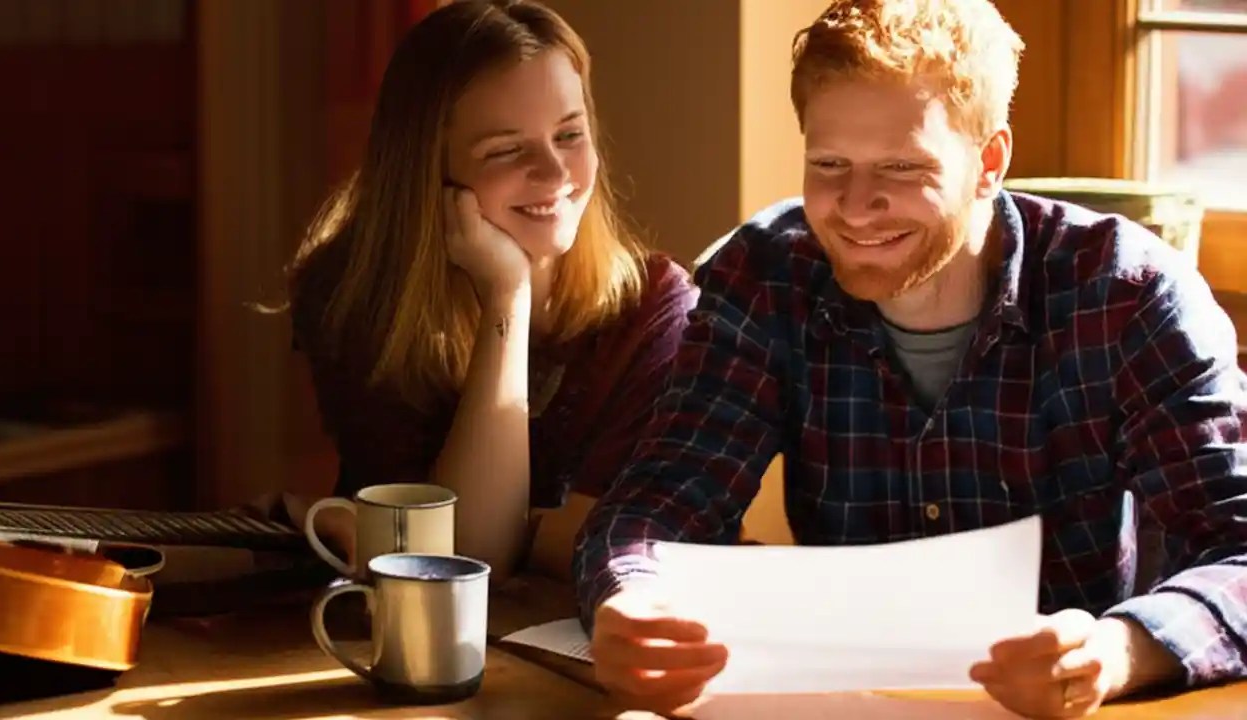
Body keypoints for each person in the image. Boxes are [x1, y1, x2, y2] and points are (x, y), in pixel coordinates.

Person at [574, 0, 1247, 717]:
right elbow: (662, 497)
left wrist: (1118, 652)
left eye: (901, 167)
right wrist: (630, 598)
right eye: (829, 164)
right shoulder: (763, 275)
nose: (857, 206)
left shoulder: (1129, 294)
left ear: (990, 162)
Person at [284, 0, 697, 583]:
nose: (555, 174)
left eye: (570, 134)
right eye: (506, 150)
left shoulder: (655, 311)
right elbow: (460, 560)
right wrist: (507, 296)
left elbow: (617, 543)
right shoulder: (354, 299)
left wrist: (533, 530)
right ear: (429, 172)